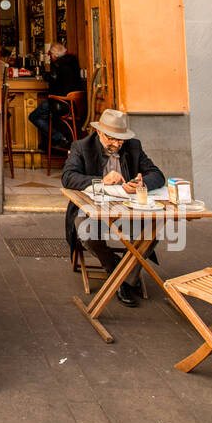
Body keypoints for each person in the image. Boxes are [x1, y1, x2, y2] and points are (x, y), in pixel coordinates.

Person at [62, 108, 165, 307]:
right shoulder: (82, 147)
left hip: (128, 210)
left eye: (120, 140)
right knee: (88, 232)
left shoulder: (133, 147)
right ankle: (119, 269)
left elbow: (157, 174)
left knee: (152, 231)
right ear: (100, 132)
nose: (116, 144)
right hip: (94, 211)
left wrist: (140, 185)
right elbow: (68, 177)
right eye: (111, 139)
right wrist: (101, 180)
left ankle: (123, 279)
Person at [28, 43, 83, 150]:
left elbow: (53, 79)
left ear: (54, 55)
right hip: (74, 104)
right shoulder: (73, 62)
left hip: (61, 103)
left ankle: (59, 139)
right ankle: (48, 143)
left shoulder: (58, 65)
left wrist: (44, 75)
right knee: (45, 116)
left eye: (51, 54)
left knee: (34, 116)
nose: (50, 57)